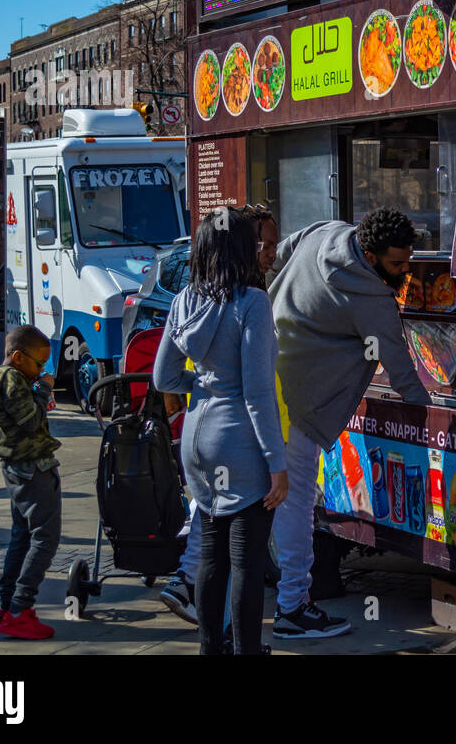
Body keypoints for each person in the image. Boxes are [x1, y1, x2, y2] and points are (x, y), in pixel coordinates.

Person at [268, 206, 431, 640]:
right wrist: (428, 417)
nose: (405, 271)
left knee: (256, 497)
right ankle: (293, 607)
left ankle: (191, 582)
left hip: (266, 381)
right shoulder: (372, 298)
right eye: (397, 264)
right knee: (297, 505)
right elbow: (399, 368)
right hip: (303, 405)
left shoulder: (324, 231)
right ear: (371, 255)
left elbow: (275, 254)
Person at [153, 208, 288, 655]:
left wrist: (204, 385)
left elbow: (163, 379)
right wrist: (277, 463)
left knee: (210, 551)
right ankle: (247, 650)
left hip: (196, 439)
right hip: (239, 441)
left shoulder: (182, 301)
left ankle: (211, 649)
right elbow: (257, 393)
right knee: (246, 558)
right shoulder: (251, 302)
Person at [0, 324, 61, 640]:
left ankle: (6, 607)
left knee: (21, 537)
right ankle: (20, 610)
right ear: (18, 357)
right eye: (39, 364)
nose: (43, 371)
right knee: (45, 538)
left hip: (16, 469)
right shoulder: (13, 380)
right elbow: (30, 420)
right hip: (33, 468)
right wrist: (44, 389)